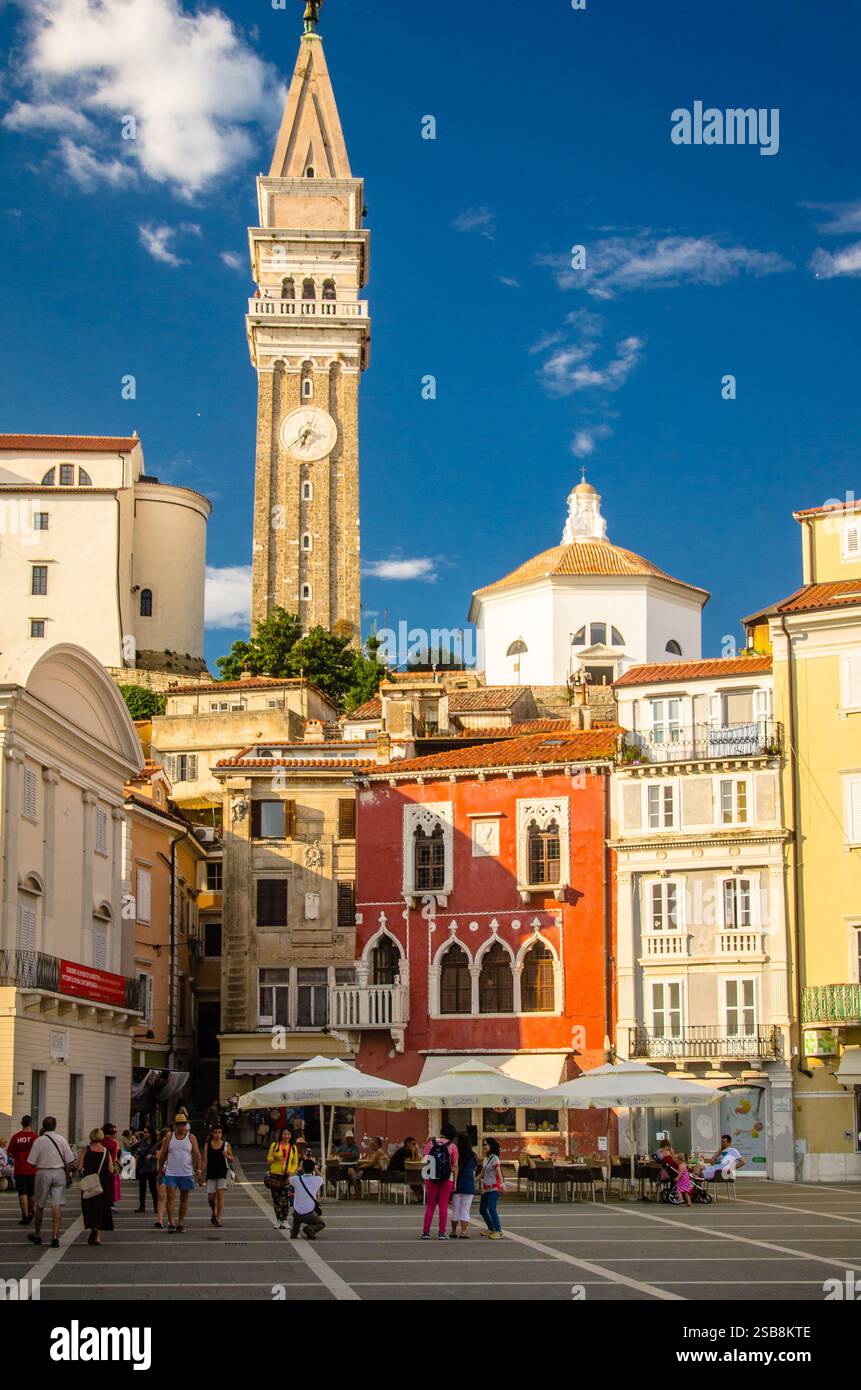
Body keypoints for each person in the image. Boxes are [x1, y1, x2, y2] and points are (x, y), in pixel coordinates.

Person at [27, 1117, 74, 1249]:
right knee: (56, 1205)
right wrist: (67, 1175)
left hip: (43, 1172)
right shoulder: (62, 1139)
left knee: (40, 1205)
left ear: (43, 1126)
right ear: (55, 1126)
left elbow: (31, 1161)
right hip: (58, 1172)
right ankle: (55, 1238)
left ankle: (37, 1235)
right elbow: (69, 1160)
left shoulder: (38, 1141)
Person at [158, 1116, 203, 1233]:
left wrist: (199, 1170)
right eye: (180, 1124)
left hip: (186, 1172)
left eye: (184, 1124)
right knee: (171, 1197)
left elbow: (197, 1154)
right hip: (171, 1172)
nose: (183, 1127)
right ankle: (171, 1222)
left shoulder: (191, 1137)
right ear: (176, 1126)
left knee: (184, 1198)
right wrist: (160, 1171)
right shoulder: (169, 1137)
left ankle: (181, 1222)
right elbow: (163, 1154)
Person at [77, 1128, 115, 1247]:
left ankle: (92, 1227)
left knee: (89, 1208)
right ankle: (97, 1235)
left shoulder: (86, 1150)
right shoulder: (105, 1151)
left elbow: (79, 1167)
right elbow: (111, 1170)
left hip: (89, 1184)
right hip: (102, 1185)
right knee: (100, 1209)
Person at [421, 1123, 458, 1240]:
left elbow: (425, 1160)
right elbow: (455, 1165)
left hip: (431, 1177)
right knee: (443, 1206)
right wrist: (455, 1182)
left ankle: (426, 1232)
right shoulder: (452, 1146)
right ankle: (442, 1233)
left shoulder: (430, 1143)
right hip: (447, 1179)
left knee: (430, 1205)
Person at [266, 1127, 299, 1228]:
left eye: (288, 1134)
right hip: (275, 1175)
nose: (286, 1136)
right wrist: (274, 1157)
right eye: (284, 1134)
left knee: (285, 1199)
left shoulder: (293, 1148)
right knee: (276, 1199)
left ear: (291, 1135)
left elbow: (295, 1162)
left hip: (286, 1176)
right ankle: (278, 1220)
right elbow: (268, 1159)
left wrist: (291, 1170)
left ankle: (284, 1220)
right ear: (281, 1135)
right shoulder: (274, 1145)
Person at [7, 1115, 37, 1225]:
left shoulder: (16, 1137)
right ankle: (31, 1211)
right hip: (32, 1169)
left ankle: (25, 1216)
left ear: (21, 1123)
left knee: (22, 1193)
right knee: (31, 1192)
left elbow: (10, 1152)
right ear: (31, 1124)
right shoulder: (35, 1137)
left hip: (20, 1169)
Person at [203, 1123, 233, 1228]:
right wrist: (201, 1173)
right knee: (211, 1197)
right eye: (215, 1132)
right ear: (212, 1133)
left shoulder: (226, 1145)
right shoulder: (207, 1145)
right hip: (211, 1173)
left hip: (222, 1172)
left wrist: (227, 1156)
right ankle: (214, 1211)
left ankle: (218, 1218)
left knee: (220, 1195)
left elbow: (232, 1159)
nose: (217, 1134)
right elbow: (205, 1161)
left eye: (219, 1132)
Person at [289, 1157, 326, 1240]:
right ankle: (310, 1229)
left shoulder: (296, 1179)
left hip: (297, 1213)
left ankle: (294, 1231)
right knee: (321, 1223)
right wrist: (315, 1169)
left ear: (302, 1168)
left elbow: (289, 1177)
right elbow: (322, 1177)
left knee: (297, 1214)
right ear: (313, 1168)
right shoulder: (316, 1179)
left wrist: (298, 1169)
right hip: (309, 1214)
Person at [450, 1133, 479, 1238]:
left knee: (456, 1209)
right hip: (468, 1184)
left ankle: (453, 1231)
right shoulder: (473, 1155)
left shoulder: (455, 1155)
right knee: (465, 1209)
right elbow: (475, 1168)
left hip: (456, 1184)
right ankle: (463, 1231)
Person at [478, 1137, 505, 1239]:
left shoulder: (495, 1158)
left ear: (491, 1146)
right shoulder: (486, 1159)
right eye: (483, 1145)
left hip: (494, 1187)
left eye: (486, 1144)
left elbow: (498, 1173)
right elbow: (481, 1174)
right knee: (482, 1209)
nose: (484, 1146)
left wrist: (501, 1185)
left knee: (491, 1208)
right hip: (486, 1188)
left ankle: (499, 1231)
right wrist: (472, 1181)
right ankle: (491, 1228)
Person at [134, 1126, 159, 1214]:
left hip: (151, 1168)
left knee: (153, 1188)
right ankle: (142, 1206)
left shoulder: (156, 1143)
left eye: (145, 1132)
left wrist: (152, 1156)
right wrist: (137, 1153)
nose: (144, 1134)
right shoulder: (141, 1142)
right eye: (144, 1132)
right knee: (142, 1188)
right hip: (142, 1168)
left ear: (150, 1133)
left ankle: (156, 1207)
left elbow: (160, 1155)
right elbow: (132, 1149)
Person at [153, 1128, 171, 1229]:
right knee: (161, 1196)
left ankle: (170, 1219)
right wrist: (164, 1145)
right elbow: (158, 1157)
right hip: (162, 1173)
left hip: (172, 1173)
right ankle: (159, 1220)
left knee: (170, 1197)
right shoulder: (160, 1146)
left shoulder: (173, 1146)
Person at [102, 1123, 123, 1205]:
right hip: (110, 1167)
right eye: (115, 1131)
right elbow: (114, 1157)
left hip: (99, 1167)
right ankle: (109, 1203)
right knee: (110, 1186)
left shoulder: (100, 1141)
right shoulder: (113, 1143)